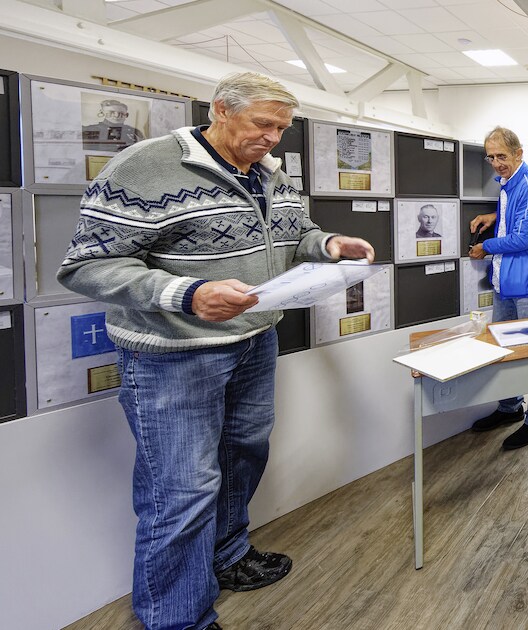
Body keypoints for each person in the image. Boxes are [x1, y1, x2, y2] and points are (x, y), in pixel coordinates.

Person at [57, 72, 375, 630]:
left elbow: (292, 233)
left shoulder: (269, 171)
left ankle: (227, 556)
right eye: (263, 124)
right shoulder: (146, 166)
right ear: (221, 110)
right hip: (174, 355)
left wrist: (327, 244)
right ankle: (177, 618)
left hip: (253, 340)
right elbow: (86, 266)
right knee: (181, 489)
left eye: (282, 127)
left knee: (242, 456)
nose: (274, 138)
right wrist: (188, 293)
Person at [467, 126, 528, 450]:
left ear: (519, 153)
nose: (496, 163)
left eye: (501, 156)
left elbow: (522, 238)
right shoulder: (509, 183)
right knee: (501, 347)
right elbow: (514, 219)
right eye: (491, 157)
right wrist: (494, 215)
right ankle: (509, 407)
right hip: (506, 280)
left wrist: (485, 247)